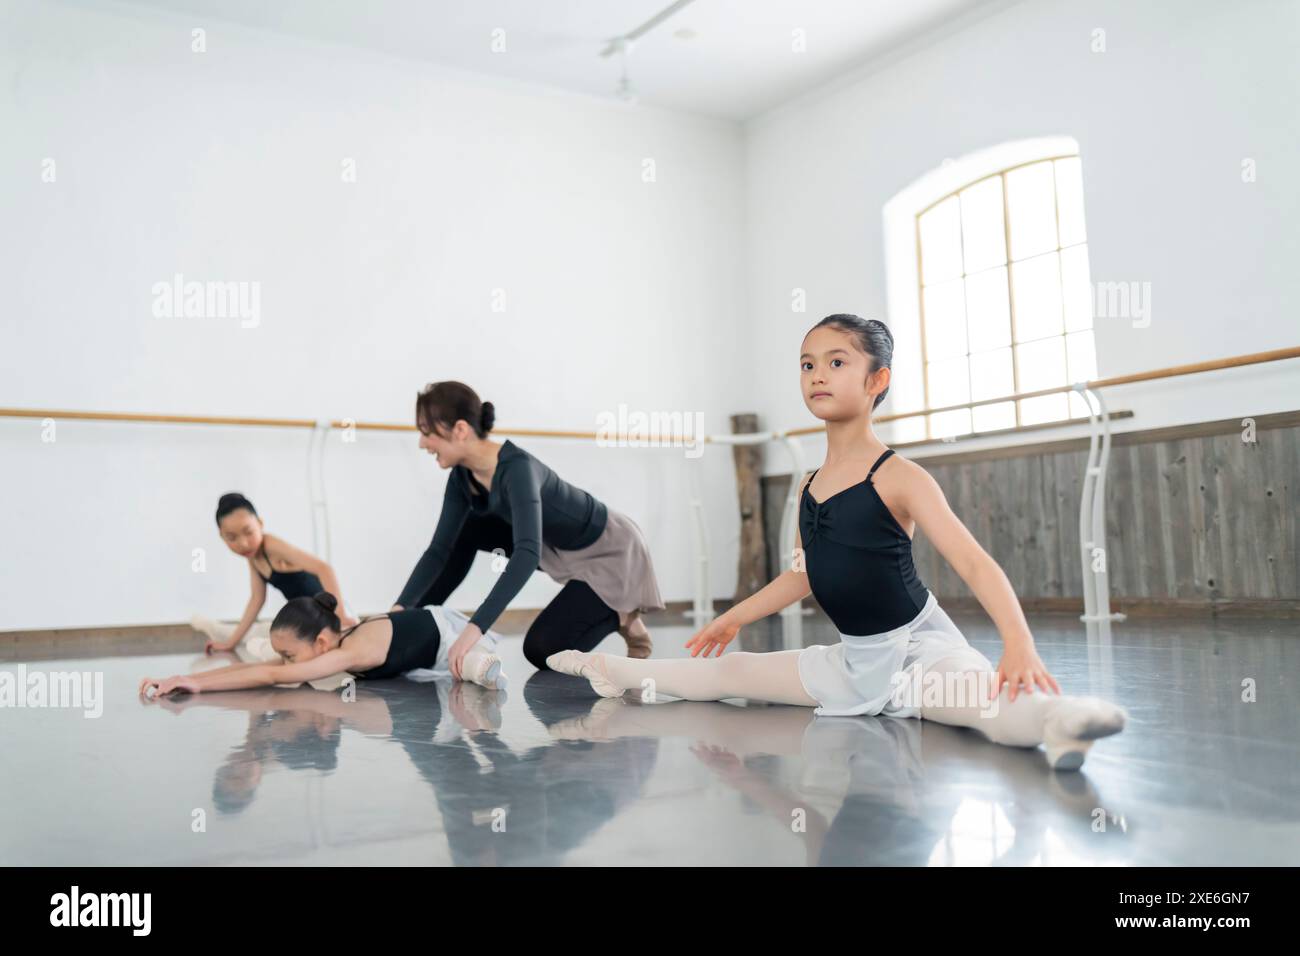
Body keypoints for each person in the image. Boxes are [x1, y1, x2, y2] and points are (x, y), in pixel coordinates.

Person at [549, 315, 1127, 771]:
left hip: (918, 650)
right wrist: (734, 618)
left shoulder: (900, 476)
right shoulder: (806, 485)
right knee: (727, 675)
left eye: (835, 362)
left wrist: (1018, 644)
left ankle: (1063, 718)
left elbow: (975, 563)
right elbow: (804, 573)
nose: (817, 375)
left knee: (980, 708)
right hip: (852, 658)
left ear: (877, 381)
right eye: (807, 364)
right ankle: (604, 668)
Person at [392, 381, 664, 677]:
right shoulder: (462, 477)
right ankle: (410, 627)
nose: (422, 443)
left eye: (427, 432)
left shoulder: (518, 469)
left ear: (460, 429)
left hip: (611, 552)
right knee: (467, 528)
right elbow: (439, 550)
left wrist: (474, 630)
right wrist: (398, 612)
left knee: (542, 650)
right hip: (555, 546)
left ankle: (621, 614)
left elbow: (527, 554)